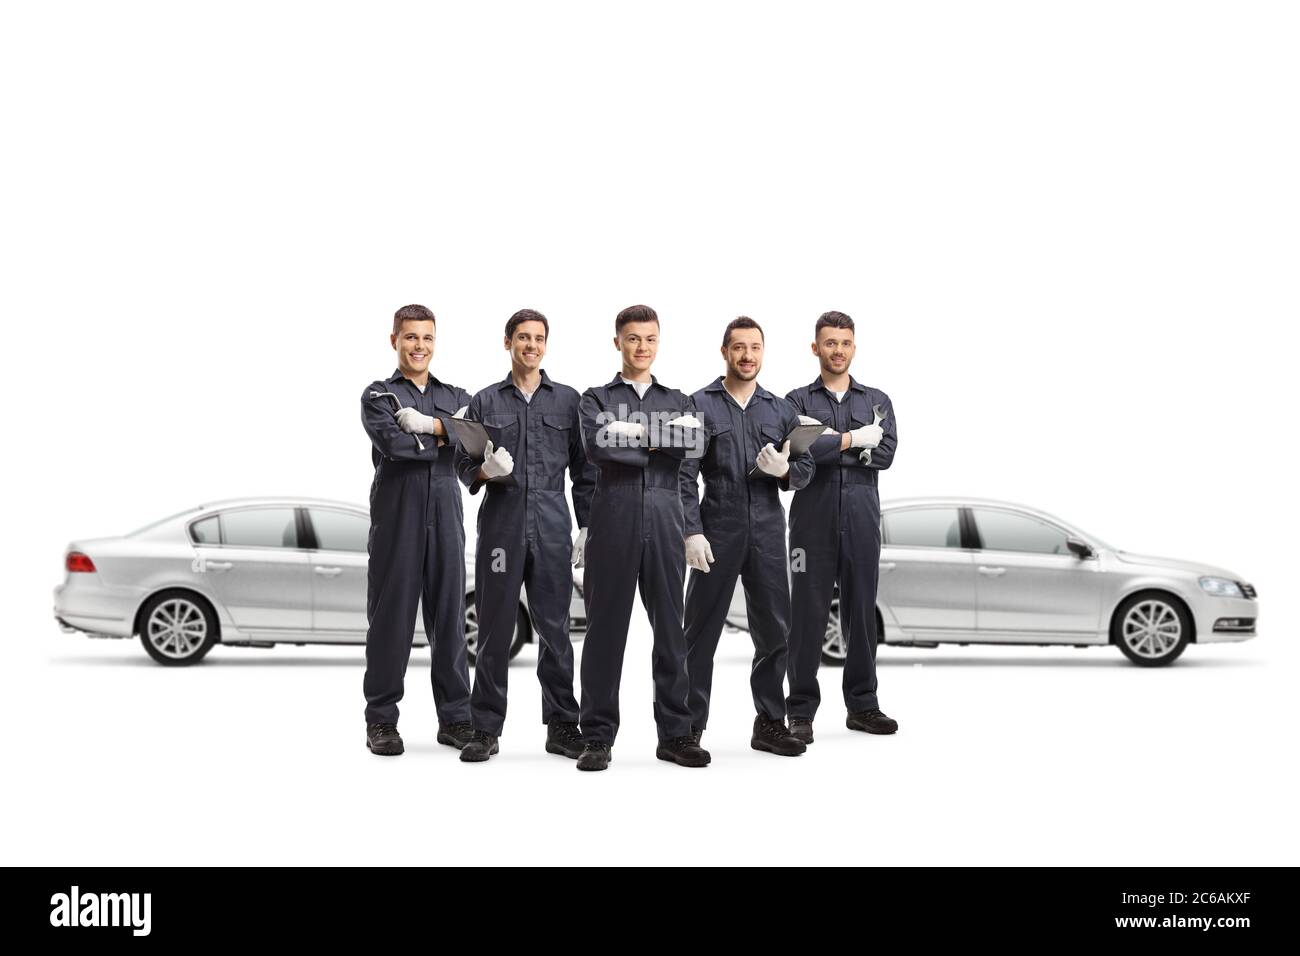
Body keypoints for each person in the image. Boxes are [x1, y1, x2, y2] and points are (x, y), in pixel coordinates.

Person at [452, 309, 596, 762]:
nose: (530, 345)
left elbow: (585, 472)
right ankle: (485, 728)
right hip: (502, 524)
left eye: (538, 338)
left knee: (555, 627)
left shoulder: (569, 401)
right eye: (522, 338)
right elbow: (461, 465)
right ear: (507, 342)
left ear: (546, 345)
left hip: (553, 524)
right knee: (495, 627)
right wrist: (483, 471)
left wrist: (587, 524)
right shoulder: (484, 402)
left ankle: (561, 725)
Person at [574, 304, 708, 771]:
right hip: (613, 518)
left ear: (659, 342)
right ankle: (595, 736)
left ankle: (676, 734)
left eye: (650, 339)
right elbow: (598, 447)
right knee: (604, 633)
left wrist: (631, 433)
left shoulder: (681, 398)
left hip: (667, 520)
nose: (642, 347)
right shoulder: (593, 398)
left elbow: (693, 449)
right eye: (633, 338)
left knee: (672, 632)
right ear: (617, 342)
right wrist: (661, 441)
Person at [679, 317, 813, 758]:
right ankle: (688, 726)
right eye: (739, 347)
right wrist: (692, 531)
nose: (748, 355)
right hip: (717, 527)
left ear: (763, 352)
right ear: (724, 352)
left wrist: (786, 472)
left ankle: (770, 722)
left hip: (769, 530)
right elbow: (683, 476)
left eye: (755, 347)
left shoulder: (780, 410)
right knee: (700, 632)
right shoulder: (698, 406)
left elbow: (806, 466)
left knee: (775, 629)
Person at [360, 304, 474, 756]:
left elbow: (475, 439)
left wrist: (431, 430)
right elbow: (394, 444)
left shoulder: (457, 392)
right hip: (398, 519)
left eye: (426, 338)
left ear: (435, 342)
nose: (419, 346)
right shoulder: (379, 395)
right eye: (410, 337)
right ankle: (382, 721)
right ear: (394, 341)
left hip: (447, 515)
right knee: (391, 621)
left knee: (449, 619)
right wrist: (448, 435)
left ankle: (456, 718)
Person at [784, 310, 900, 744]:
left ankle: (863, 706)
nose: (838, 350)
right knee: (806, 616)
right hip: (810, 523)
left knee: (861, 613)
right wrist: (855, 440)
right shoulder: (795, 401)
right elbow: (798, 451)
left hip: (862, 518)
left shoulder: (877, 399)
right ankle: (799, 711)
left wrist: (829, 441)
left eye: (845, 342)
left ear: (854, 346)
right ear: (816, 347)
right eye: (830, 343)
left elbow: (886, 452)